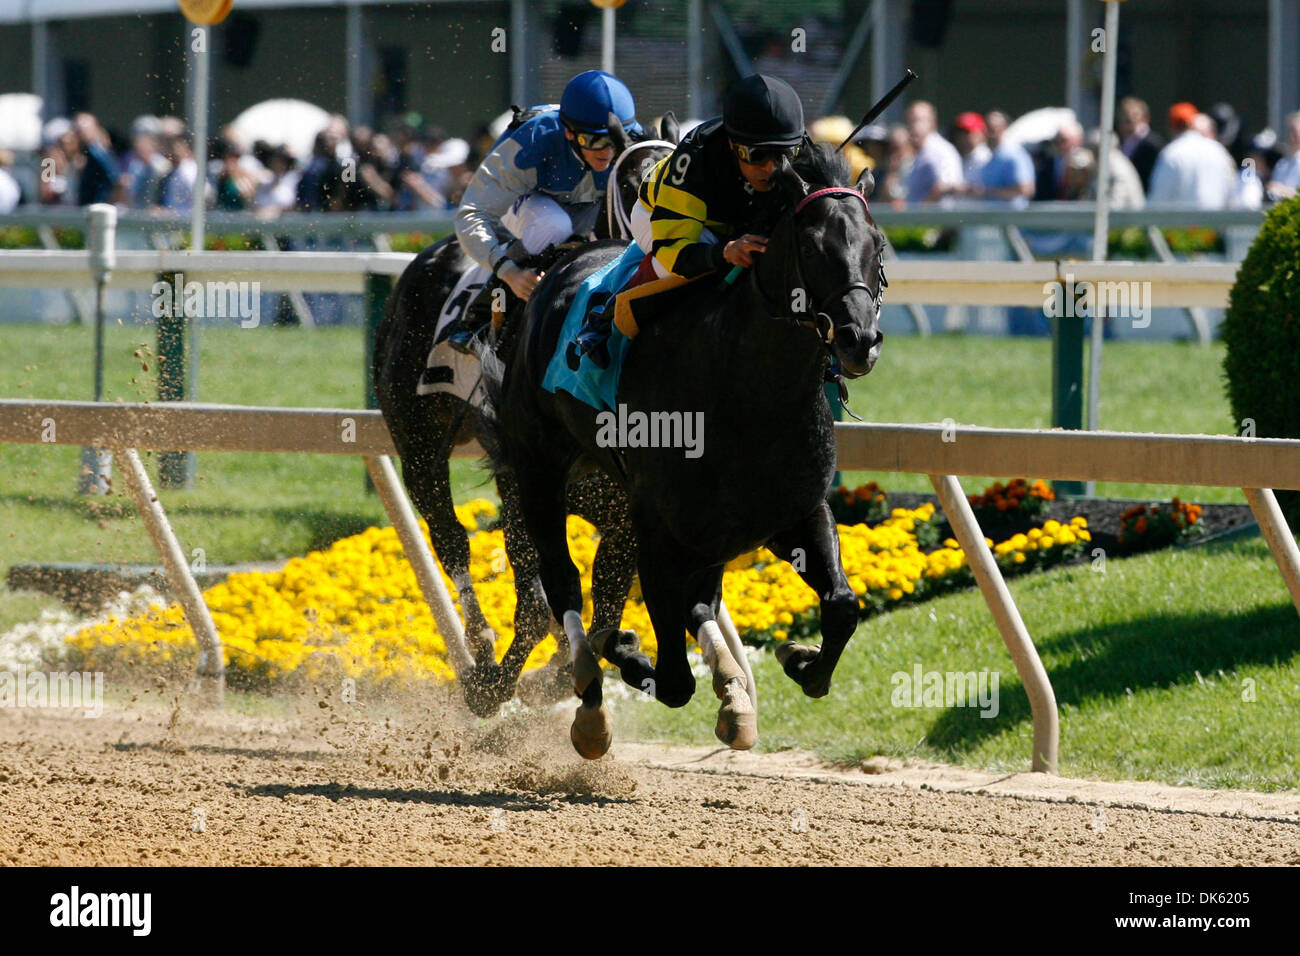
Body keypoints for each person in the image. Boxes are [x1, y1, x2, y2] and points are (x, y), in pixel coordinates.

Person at [572, 72, 808, 367]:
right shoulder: (696, 159)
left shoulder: (799, 148)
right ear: (733, 146)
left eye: (784, 154)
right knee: (686, 263)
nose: (772, 168)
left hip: (736, 222)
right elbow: (673, 253)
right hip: (659, 215)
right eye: (757, 155)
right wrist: (723, 252)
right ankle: (604, 318)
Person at [443, 70, 644, 352]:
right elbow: (471, 215)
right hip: (530, 198)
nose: (607, 153)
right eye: (595, 142)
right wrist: (510, 272)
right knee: (554, 224)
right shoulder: (532, 142)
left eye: (614, 140)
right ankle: (479, 315)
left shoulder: (635, 140)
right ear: (569, 133)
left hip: (586, 203)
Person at [1147, 102, 1236, 208]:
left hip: (1180, 223)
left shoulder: (1171, 153)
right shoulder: (1218, 150)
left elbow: (1157, 199)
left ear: (1171, 127)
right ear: (1194, 123)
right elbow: (1232, 191)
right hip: (1216, 221)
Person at [903, 101, 963, 203]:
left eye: (917, 120)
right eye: (909, 121)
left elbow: (946, 187)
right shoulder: (920, 152)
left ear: (933, 122)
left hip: (939, 217)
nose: (912, 126)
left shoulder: (941, 150)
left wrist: (920, 211)